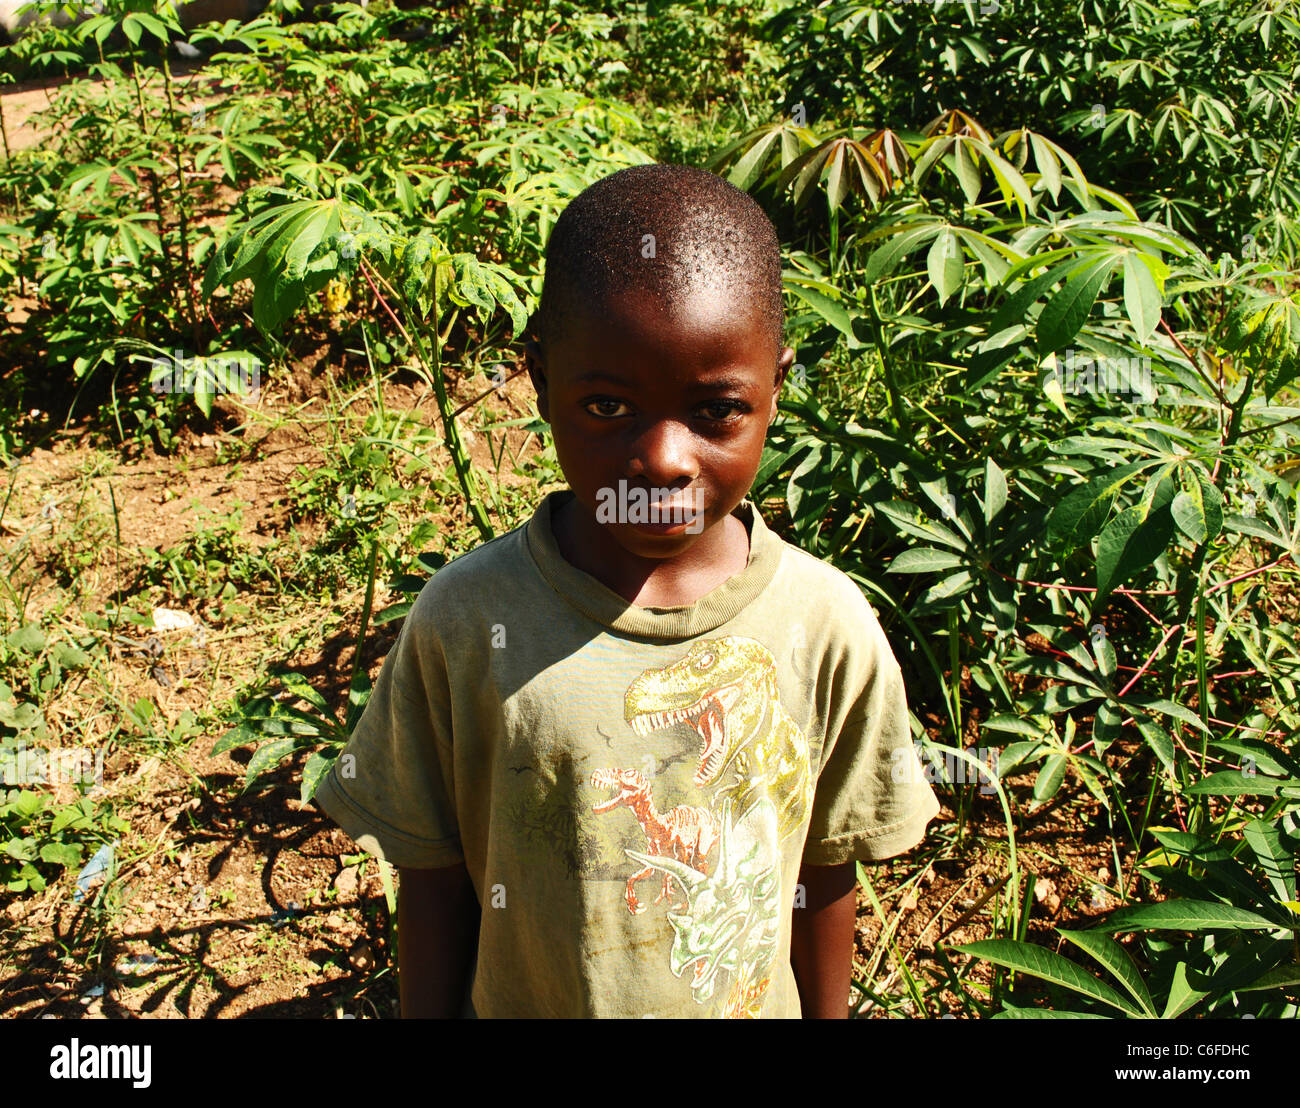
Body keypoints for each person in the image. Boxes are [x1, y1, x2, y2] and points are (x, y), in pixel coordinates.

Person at [313, 163, 940, 1018]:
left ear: (776, 387)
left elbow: (826, 871)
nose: (664, 459)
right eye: (608, 406)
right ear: (537, 375)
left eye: (717, 411)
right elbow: (434, 876)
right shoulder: (467, 618)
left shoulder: (825, 626)